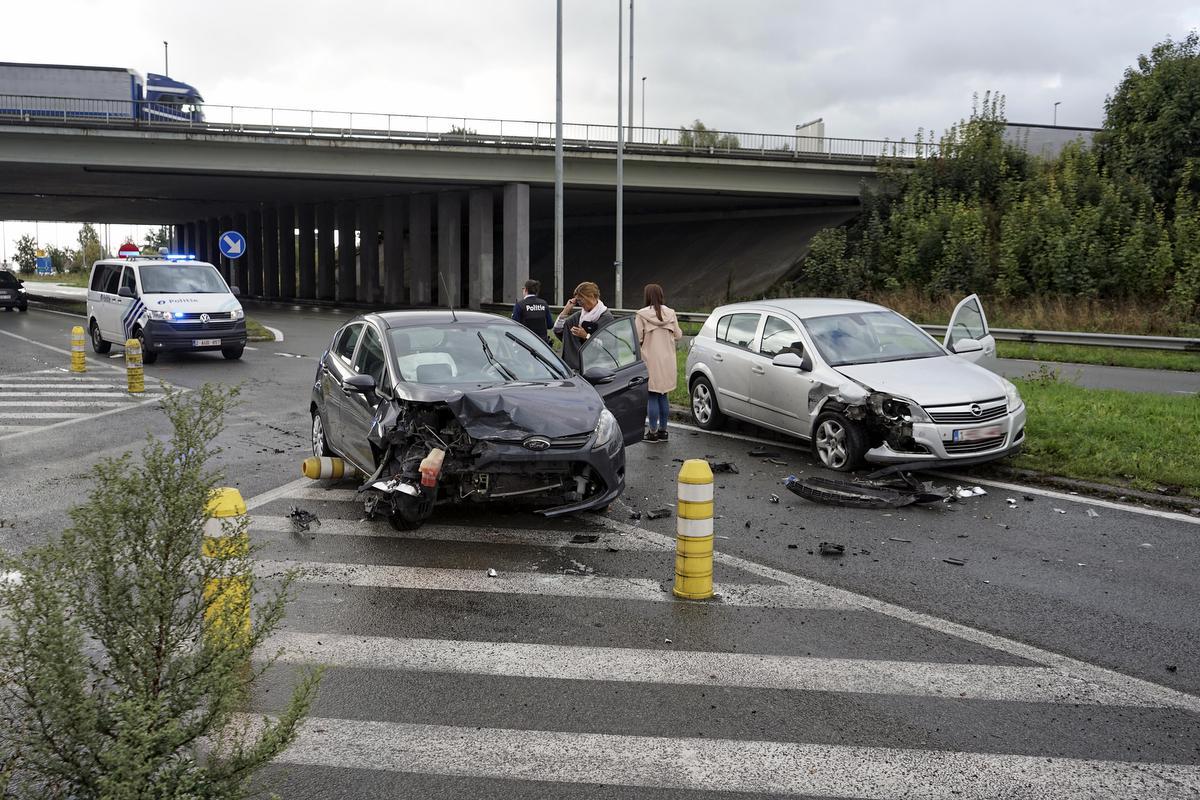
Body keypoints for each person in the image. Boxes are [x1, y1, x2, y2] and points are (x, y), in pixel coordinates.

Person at [634, 283, 682, 442]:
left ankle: (652, 432)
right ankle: (663, 431)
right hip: (668, 360)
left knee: (652, 396)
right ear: (661, 295)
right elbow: (678, 334)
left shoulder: (641, 315)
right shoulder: (671, 313)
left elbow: (637, 338)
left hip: (650, 360)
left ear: (646, 296)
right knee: (663, 395)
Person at [553, 281, 614, 372]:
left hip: (598, 368)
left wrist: (586, 336)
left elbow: (607, 346)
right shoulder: (578, 316)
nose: (579, 304)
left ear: (591, 297)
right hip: (576, 368)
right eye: (577, 301)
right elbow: (558, 330)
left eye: (581, 300)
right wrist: (565, 311)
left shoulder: (606, 318)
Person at [511, 279, 553, 343]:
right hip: (542, 344)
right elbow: (550, 325)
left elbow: (514, 325)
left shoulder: (520, 305)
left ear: (526, 290)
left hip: (525, 343)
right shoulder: (544, 303)